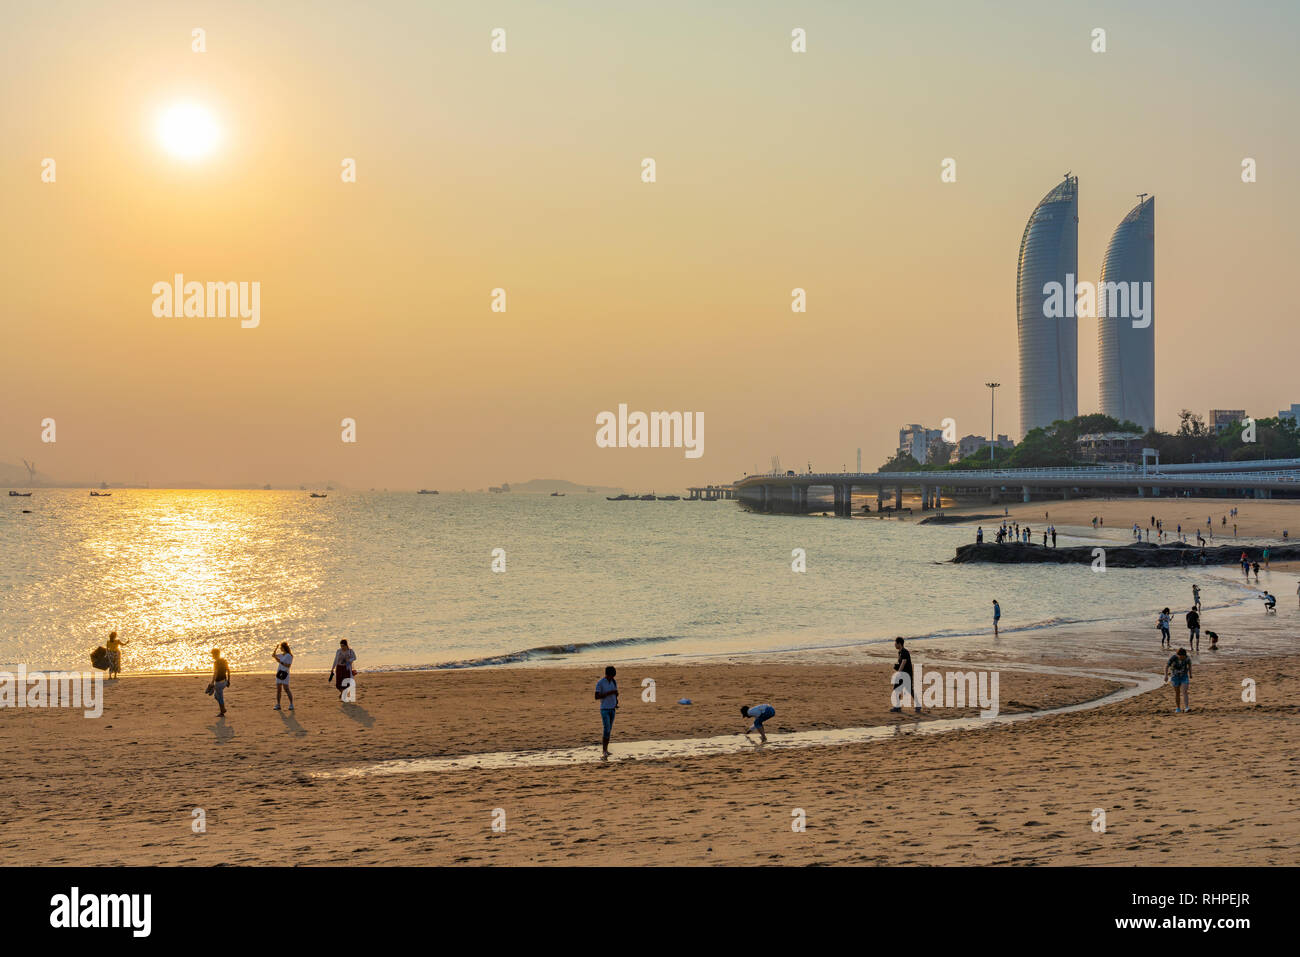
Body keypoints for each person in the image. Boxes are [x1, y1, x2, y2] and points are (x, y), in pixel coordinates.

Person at [890, 636, 921, 713]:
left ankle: (898, 707)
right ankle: (899, 707)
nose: (894, 644)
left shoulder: (904, 652)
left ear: (899, 643)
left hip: (905, 675)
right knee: (907, 690)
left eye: (895, 643)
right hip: (904, 674)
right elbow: (902, 663)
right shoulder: (900, 652)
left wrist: (898, 673)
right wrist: (897, 666)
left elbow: (904, 662)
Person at [595, 665, 619, 757]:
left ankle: (606, 750)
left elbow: (615, 693)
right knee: (607, 729)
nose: (612, 677)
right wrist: (609, 693)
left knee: (609, 730)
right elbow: (596, 696)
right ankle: (604, 750)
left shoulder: (613, 681)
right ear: (607, 674)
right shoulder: (600, 683)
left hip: (612, 708)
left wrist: (616, 701)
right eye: (611, 676)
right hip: (604, 709)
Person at [1165, 648, 1192, 713]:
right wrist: (1166, 675)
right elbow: (1166, 666)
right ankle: (1178, 708)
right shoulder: (1173, 658)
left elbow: (1190, 665)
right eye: (1181, 657)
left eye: (1183, 656)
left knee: (1184, 691)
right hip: (1175, 677)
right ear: (1178, 655)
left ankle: (1187, 707)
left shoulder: (1187, 658)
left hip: (1184, 676)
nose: (1182, 658)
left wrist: (1190, 674)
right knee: (1177, 693)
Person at [272, 642, 294, 711]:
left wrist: (280, 662)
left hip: (285, 674)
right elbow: (273, 655)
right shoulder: (282, 655)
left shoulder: (289, 656)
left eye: (281, 647)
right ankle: (278, 704)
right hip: (279, 673)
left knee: (286, 689)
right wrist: (275, 648)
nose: (280, 648)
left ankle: (291, 704)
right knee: (278, 689)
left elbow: (288, 666)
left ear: (284, 648)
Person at [210, 648, 232, 717]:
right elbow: (228, 670)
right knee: (217, 696)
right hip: (224, 682)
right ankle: (222, 709)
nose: (212, 656)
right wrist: (228, 680)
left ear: (215, 654)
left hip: (218, 682)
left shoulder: (216, 662)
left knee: (219, 697)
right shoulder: (224, 661)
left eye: (213, 654)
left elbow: (215, 672)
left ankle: (222, 710)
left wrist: (212, 682)